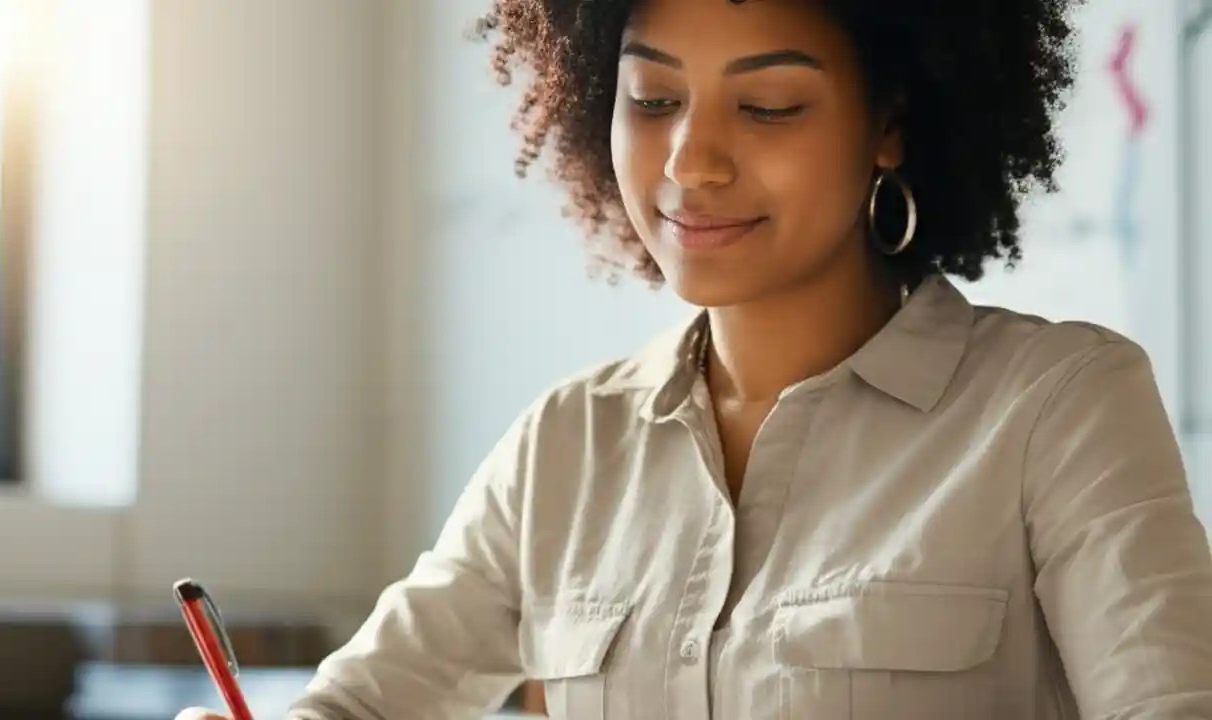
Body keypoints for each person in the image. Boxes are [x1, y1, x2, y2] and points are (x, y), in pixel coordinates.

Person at [178, 0, 1212, 717]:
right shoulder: (565, 447)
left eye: (766, 107)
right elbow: (362, 700)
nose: (690, 162)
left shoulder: (1056, 408)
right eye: (652, 99)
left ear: (888, 123)